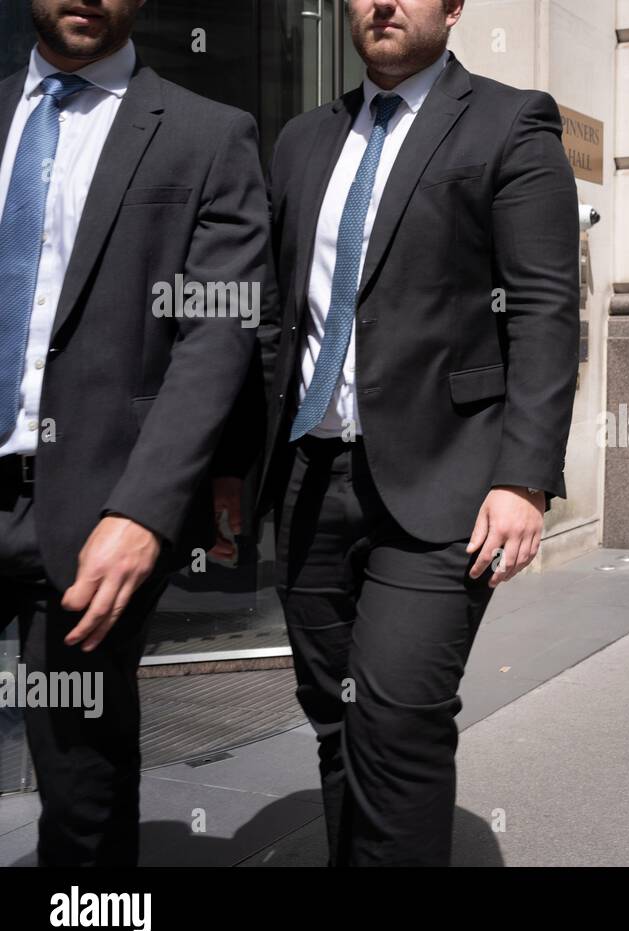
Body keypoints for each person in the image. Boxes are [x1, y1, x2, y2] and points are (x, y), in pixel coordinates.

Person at [259, 0, 579, 866]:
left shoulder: (512, 123)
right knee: (337, 720)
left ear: (453, 6)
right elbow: (274, 320)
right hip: (309, 478)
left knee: (397, 717)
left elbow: (546, 311)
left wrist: (524, 478)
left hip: (447, 482)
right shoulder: (301, 141)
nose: (382, 3)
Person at [0, 0, 269, 864]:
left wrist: (148, 510)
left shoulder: (208, 134)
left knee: (83, 783)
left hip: (92, 510)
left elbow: (216, 336)